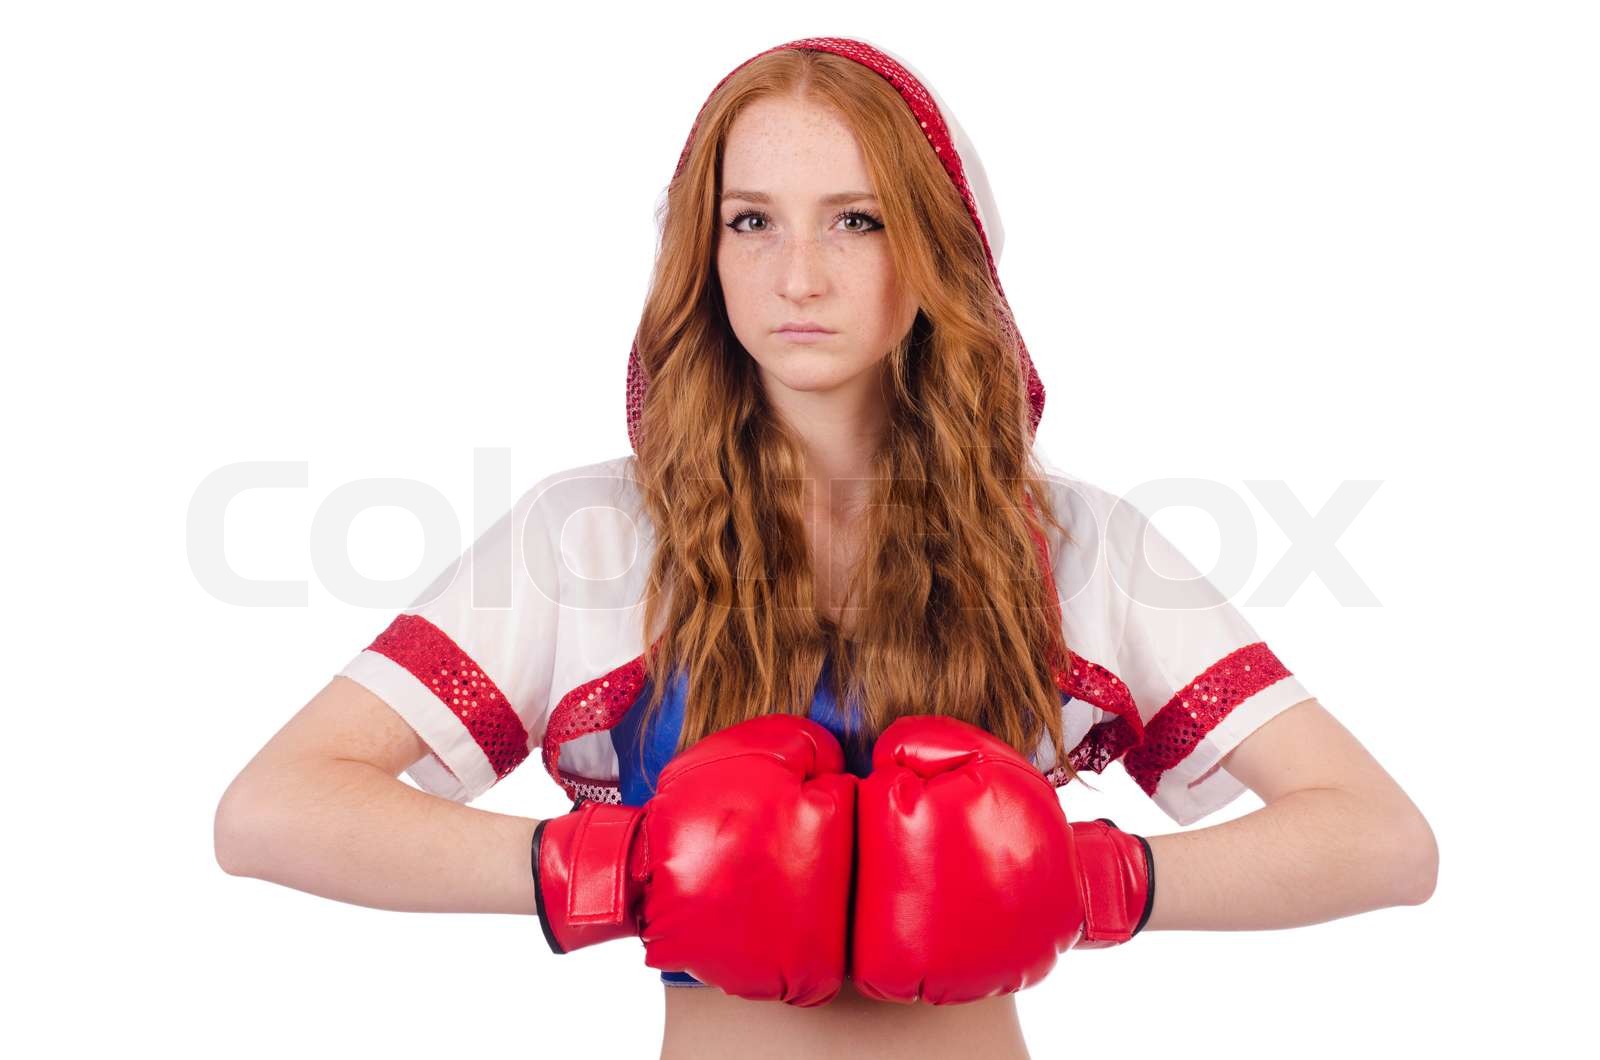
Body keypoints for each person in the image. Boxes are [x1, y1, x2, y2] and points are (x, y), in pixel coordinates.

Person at [214, 36, 1437, 1060]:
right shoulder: (591, 535)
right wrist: (615, 865)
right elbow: (270, 811)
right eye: (752, 221)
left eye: (854, 219)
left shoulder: (1069, 545)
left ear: (935, 250)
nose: (797, 273)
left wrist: (1088, 882)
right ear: (707, 252)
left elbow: (1382, 840)